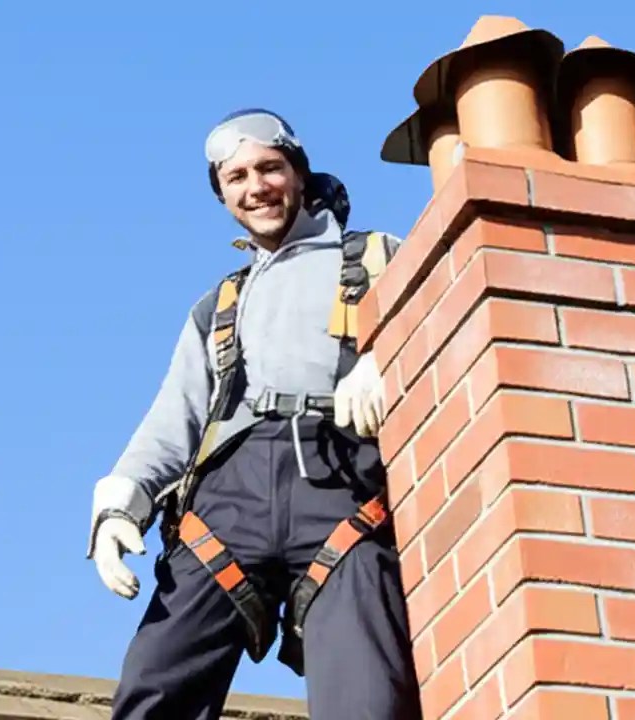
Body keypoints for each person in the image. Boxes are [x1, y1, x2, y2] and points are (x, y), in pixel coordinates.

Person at [85, 109, 422, 719]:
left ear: (299, 174)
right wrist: (120, 503)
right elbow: (175, 416)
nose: (256, 186)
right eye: (236, 176)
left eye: (270, 168)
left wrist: (386, 360)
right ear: (223, 195)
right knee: (154, 685)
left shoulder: (376, 256)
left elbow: (443, 331)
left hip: (342, 485)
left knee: (369, 694)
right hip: (228, 499)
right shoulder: (218, 305)